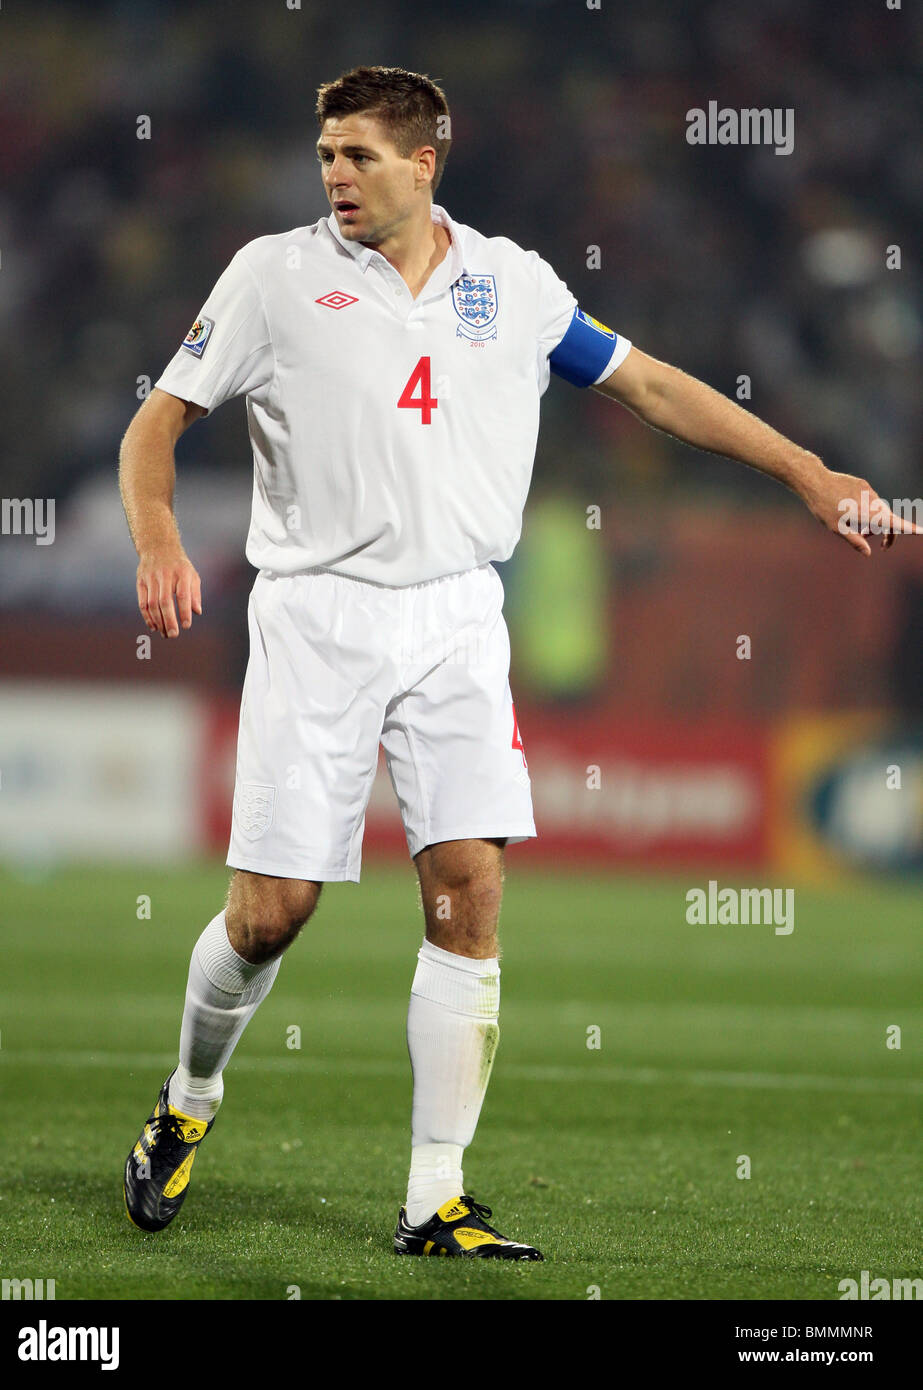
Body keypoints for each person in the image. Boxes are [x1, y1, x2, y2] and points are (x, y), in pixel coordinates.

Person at [117, 64, 913, 1261]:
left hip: (454, 618)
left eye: (359, 155)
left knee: (470, 894)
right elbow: (155, 423)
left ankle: (433, 1197)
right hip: (317, 615)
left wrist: (807, 471)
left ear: (424, 161)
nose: (334, 174)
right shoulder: (271, 277)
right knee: (273, 912)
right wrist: (161, 539)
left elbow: (647, 384)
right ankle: (187, 1099)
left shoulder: (513, 282)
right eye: (326, 153)